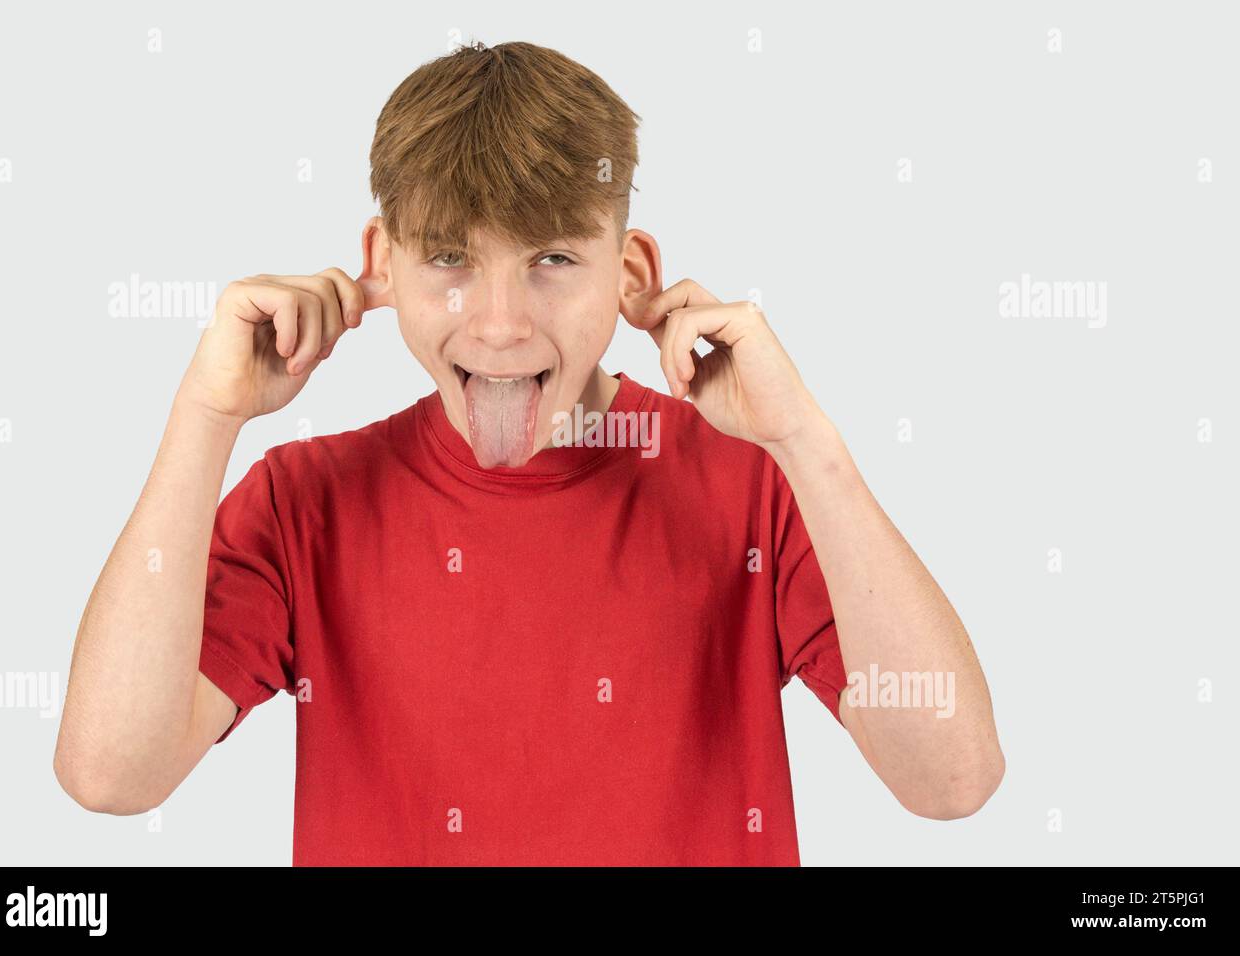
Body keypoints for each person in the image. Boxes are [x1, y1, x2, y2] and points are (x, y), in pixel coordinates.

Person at [55, 40, 1004, 866]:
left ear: (629, 271)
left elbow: (951, 781)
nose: (500, 324)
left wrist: (807, 441)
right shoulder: (304, 501)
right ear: (381, 263)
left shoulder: (755, 481)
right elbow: (110, 775)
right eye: (449, 260)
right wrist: (205, 415)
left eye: (552, 260)